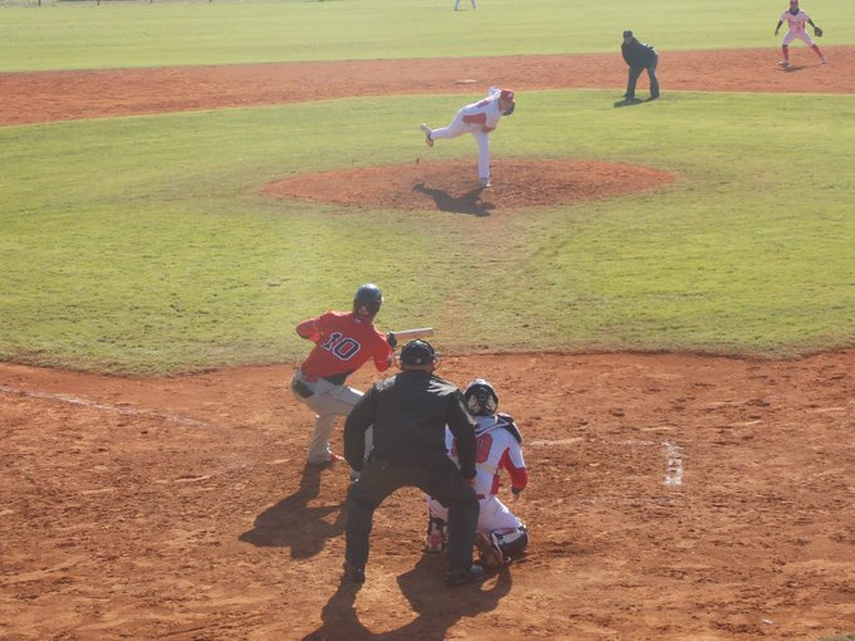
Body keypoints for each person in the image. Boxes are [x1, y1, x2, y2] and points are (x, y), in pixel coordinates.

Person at [341, 340, 484, 587]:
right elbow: (466, 432)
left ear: (401, 363)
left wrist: (359, 465)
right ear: (432, 363)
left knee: (360, 501)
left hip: (385, 465)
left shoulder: (381, 389)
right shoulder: (447, 391)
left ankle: (354, 568)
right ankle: (458, 570)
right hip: (431, 465)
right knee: (464, 502)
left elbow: (354, 424)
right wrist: (467, 471)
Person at [424, 379, 530, 568]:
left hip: (438, 499)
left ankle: (436, 535)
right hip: (478, 507)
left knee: (440, 485)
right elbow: (521, 477)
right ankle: (494, 542)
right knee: (519, 533)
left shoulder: (447, 426)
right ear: (494, 404)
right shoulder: (505, 432)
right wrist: (516, 489)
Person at [290, 283, 395, 468]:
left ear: (355, 303)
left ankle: (318, 455)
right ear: (377, 308)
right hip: (321, 392)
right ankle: (363, 471)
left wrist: (319, 339)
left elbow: (301, 329)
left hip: (299, 382)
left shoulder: (333, 318)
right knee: (372, 413)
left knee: (328, 410)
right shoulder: (377, 340)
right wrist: (389, 348)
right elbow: (383, 366)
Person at [420, 86, 516, 189]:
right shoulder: (493, 113)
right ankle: (430, 135)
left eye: (509, 102)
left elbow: (492, 88)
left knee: (485, 148)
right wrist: (495, 123)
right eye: (505, 102)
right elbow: (486, 129)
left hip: (478, 121)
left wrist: (495, 94)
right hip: (465, 120)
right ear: (500, 99)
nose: (507, 105)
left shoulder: (498, 95)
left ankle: (484, 177)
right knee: (450, 133)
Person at [774, 0, 825, 67]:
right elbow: (781, 21)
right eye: (792, 4)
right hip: (792, 32)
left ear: (797, 4)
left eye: (795, 4)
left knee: (811, 44)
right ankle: (786, 61)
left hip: (802, 32)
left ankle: (822, 57)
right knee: (784, 44)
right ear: (790, 5)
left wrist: (814, 26)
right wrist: (777, 29)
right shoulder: (786, 13)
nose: (794, 6)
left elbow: (808, 19)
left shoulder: (802, 13)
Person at [620, 30, 660, 103]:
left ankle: (655, 94)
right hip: (640, 61)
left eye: (628, 37)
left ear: (632, 37)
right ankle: (630, 93)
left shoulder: (637, 45)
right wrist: (632, 67)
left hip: (651, 57)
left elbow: (648, 54)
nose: (627, 39)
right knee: (632, 73)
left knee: (651, 71)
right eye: (625, 37)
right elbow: (626, 58)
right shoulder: (624, 46)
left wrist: (647, 66)